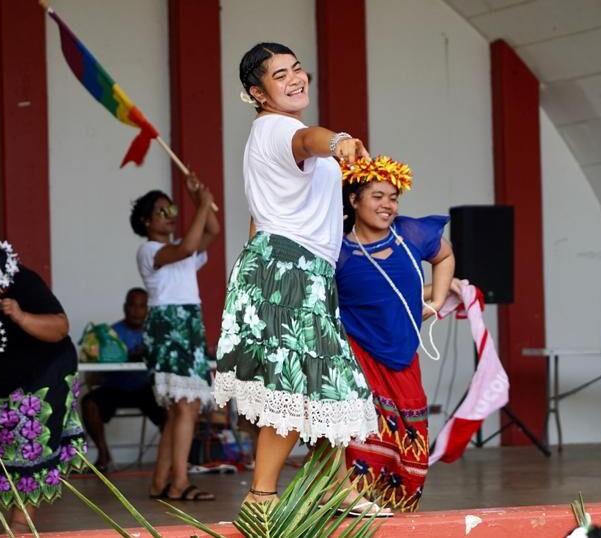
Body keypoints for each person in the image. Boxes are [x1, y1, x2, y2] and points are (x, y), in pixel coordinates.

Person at [213, 42, 385, 515]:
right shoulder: (277, 128)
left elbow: (258, 216)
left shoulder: (268, 134)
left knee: (327, 381)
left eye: (298, 68)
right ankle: (261, 496)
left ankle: (332, 486)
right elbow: (309, 141)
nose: (296, 78)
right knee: (294, 386)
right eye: (279, 74)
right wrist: (338, 142)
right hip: (288, 269)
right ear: (257, 92)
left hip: (294, 268)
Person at [336, 156, 455, 512]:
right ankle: (351, 508)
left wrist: (435, 299)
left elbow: (444, 256)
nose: (387, 205)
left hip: (404, 354)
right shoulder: (337, 250)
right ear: (354, 200)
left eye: (393, 197)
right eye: (377, 196)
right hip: (359, 354)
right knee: (362, 435)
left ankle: (393, 519)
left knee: (411, 439)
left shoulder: (411, 234)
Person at [0, 236, 86, 535]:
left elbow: (61, 327)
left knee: (27, 443)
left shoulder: (26, 283)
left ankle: (21, 521)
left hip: (43, 373)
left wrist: (21, 316)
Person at [130, 176, 220, 502]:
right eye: (162, 210)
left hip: (189, 323)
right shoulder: (150, 250)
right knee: (184, 405)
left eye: (172, 208)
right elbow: (187, 246)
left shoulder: (181, 250)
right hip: (168, 325)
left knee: (184, 406)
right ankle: (179, 482)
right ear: (146, 221)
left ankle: (160, 481)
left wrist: (199, 199)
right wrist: (200, 204)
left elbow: (211, 231)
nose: (170, 214)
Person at [80, 287, 166, 472]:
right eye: (132, 306)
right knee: (88, 403)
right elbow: (95, 366)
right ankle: (104, 457)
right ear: (125, 307)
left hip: (145, 389)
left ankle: (169, 461)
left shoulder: (156, 334)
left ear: (148, 309)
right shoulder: (110, 334)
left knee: (173, 408)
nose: (136, 310)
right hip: (114, 387)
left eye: (142, 306)